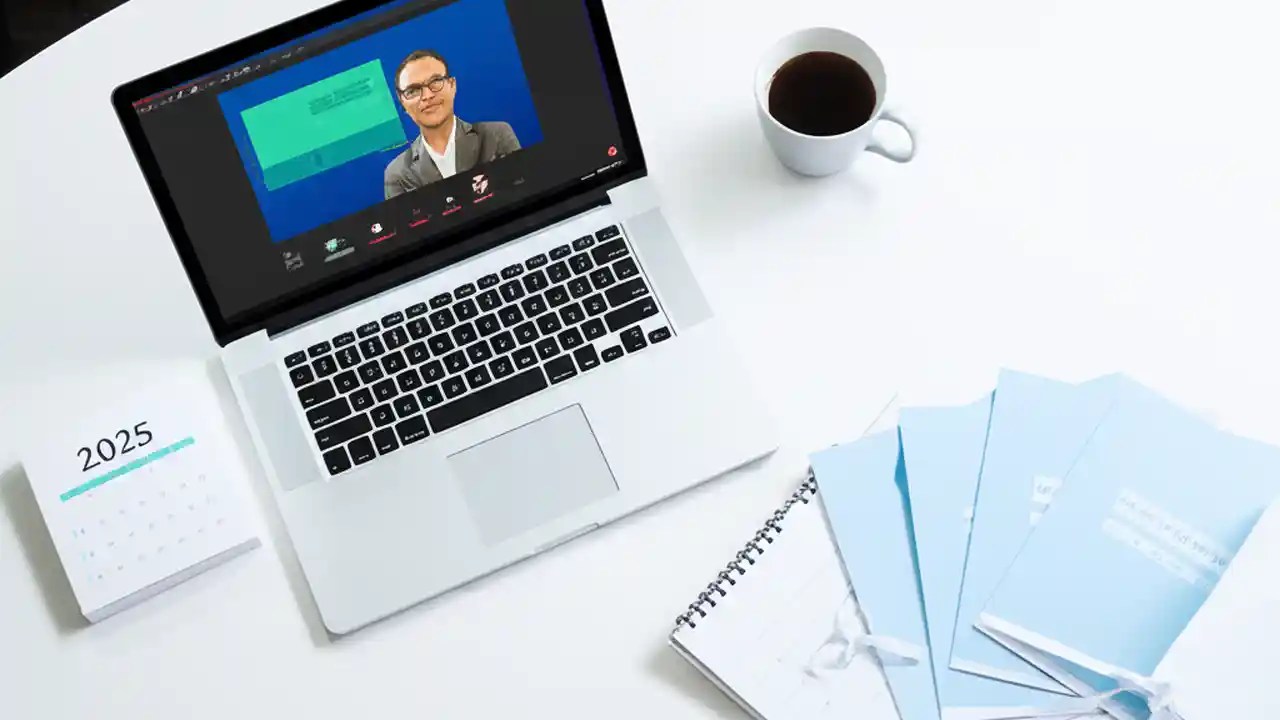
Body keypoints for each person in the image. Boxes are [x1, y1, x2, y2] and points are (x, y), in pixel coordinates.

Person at [384, 49, 521, 199]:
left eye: (435, 81)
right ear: (402, 103)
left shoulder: (497, 135)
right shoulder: (397, 174)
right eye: (413, 91)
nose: (427, 96)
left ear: (452, 85)